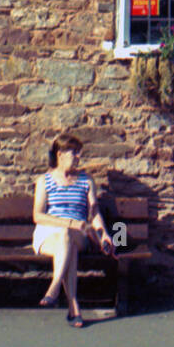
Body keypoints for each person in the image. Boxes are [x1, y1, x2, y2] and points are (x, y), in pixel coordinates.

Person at [32, 133, 114, 327]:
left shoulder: (86, 181)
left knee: (67, 237)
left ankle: (54, 286)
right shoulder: (44, 181)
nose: (78, 157)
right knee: (65, 241)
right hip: (48, 233)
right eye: (74, 153)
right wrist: (69, 223)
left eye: (79, 153)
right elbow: (38, 216)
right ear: (60, 154)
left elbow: (94, 214)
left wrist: (105, 235)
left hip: (78, 234)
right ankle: (73, 306)